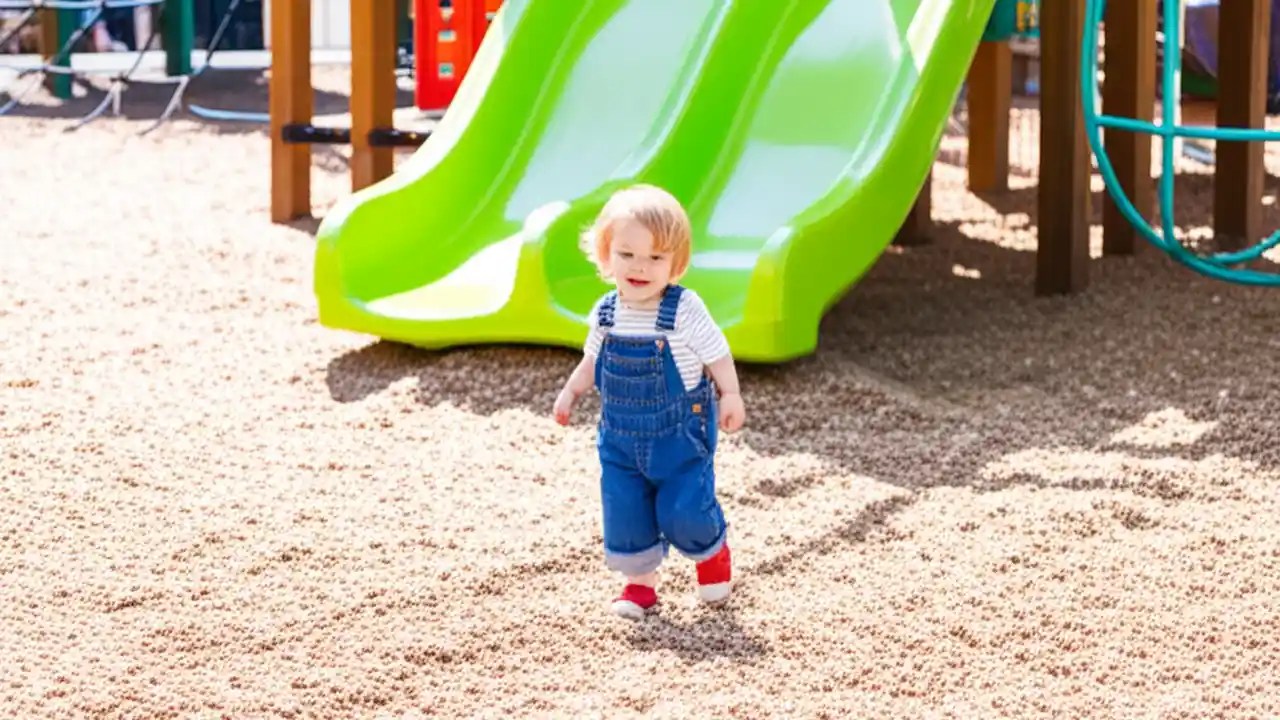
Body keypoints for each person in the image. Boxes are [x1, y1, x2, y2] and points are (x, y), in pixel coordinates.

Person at [553, 183, 746, 620]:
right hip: (620, 437)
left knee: (684, 504)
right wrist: (570, 392)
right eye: (627, 255)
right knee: (625, 506)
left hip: (678, 434)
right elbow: (591, 362)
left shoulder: (683, 310)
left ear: (675, 264)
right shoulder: (605, 312)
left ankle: (710, 550)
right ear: (606, 257)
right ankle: (639, 584)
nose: (640, 267)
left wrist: (730, 394)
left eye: (656, 258)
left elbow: (716, 354)